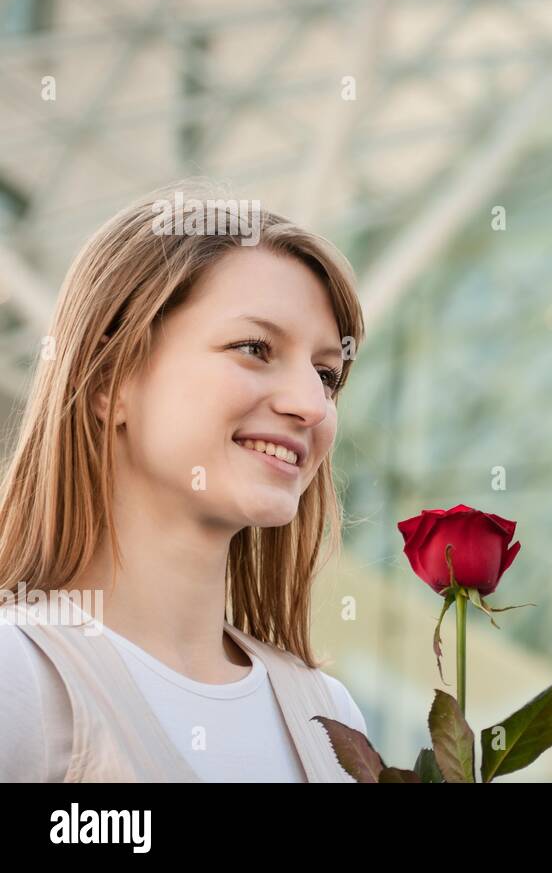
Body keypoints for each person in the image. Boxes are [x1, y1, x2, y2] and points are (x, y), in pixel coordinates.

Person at [0, 185, 368, 782]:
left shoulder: (332, 718)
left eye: (326, 374)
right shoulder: (18, 676)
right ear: (109, 380)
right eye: (254, 348)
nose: (312, 406)